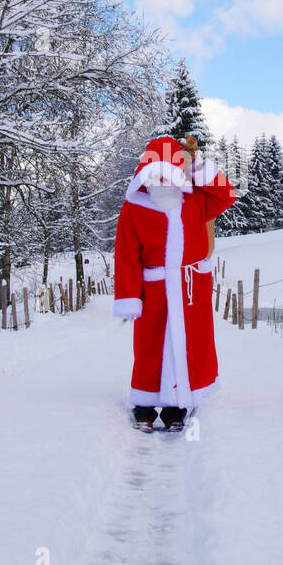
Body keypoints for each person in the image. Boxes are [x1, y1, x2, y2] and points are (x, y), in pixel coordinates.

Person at [113, 133, 236, 432]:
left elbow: (226, 195)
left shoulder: (195, 199)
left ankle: (176, 408)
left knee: (188, 346)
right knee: (150, 346)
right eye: (155, 174)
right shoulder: (135, 205)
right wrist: (130, 297)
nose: (161, 180)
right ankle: (143, 404)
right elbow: (126, 253)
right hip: (153, 288)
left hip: (190, 288)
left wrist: (197, 165)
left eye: (168, 173)